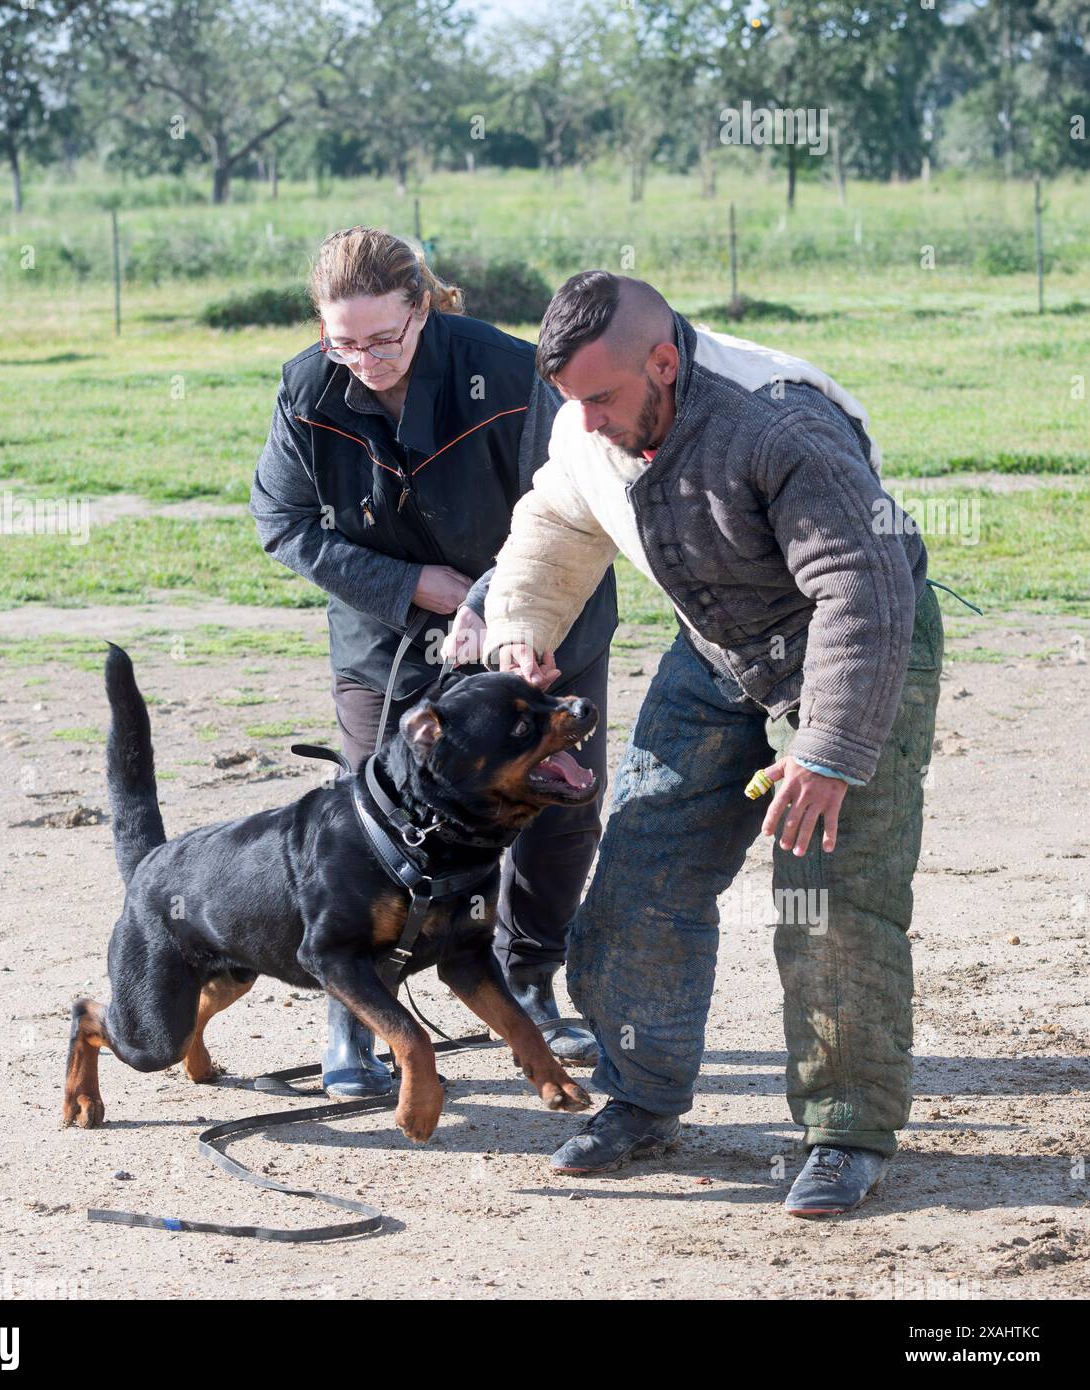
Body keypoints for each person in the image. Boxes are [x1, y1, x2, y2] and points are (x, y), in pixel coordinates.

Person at [482, 271, 944, 1217]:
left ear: (664, 361)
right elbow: (559, 518)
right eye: (573, 402)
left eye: (602, 399)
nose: (589, 422)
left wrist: (828, 752)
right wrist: (521, 625)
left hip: (851, 645)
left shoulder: (778, 426)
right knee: (642, 864)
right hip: (719, 649)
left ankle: (845, 1129)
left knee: (826, 893)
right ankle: (642, 1100)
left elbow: (863, 584)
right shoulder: (592, 419)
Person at [249, 229, 617, 1098]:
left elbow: (565, 502)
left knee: (558, 804)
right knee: (363, 815)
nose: (364, 359)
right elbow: (284, 524)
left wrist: (487, 598)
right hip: (385, 626)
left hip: (538, 608)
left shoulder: (508, 369)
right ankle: (356, 1014)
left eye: (384, 338)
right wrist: (418, 585)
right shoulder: (308, 389)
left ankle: (527, 973)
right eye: (344, 342)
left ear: (422, 307)